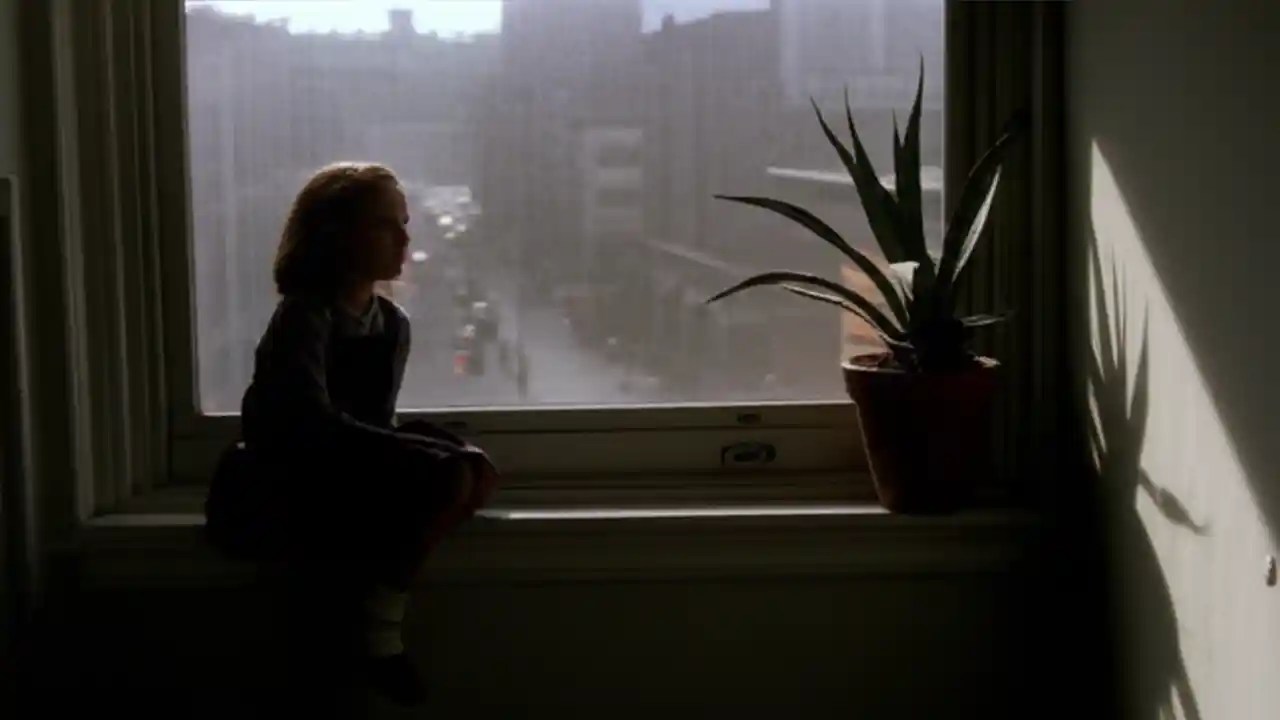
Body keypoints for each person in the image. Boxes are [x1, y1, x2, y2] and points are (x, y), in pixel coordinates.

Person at [210, 162, 499, 707]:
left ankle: (379, 614)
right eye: (386, 225)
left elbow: (376, 420)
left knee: (469, 467)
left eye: (405, 223)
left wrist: (443, 450)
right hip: (292, 476)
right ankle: (380, 630)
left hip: (349, 454)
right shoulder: (304, 318)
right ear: (336, 236)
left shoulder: (392, 324)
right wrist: (423, 458)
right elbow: (305, 423)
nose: (405, 239)